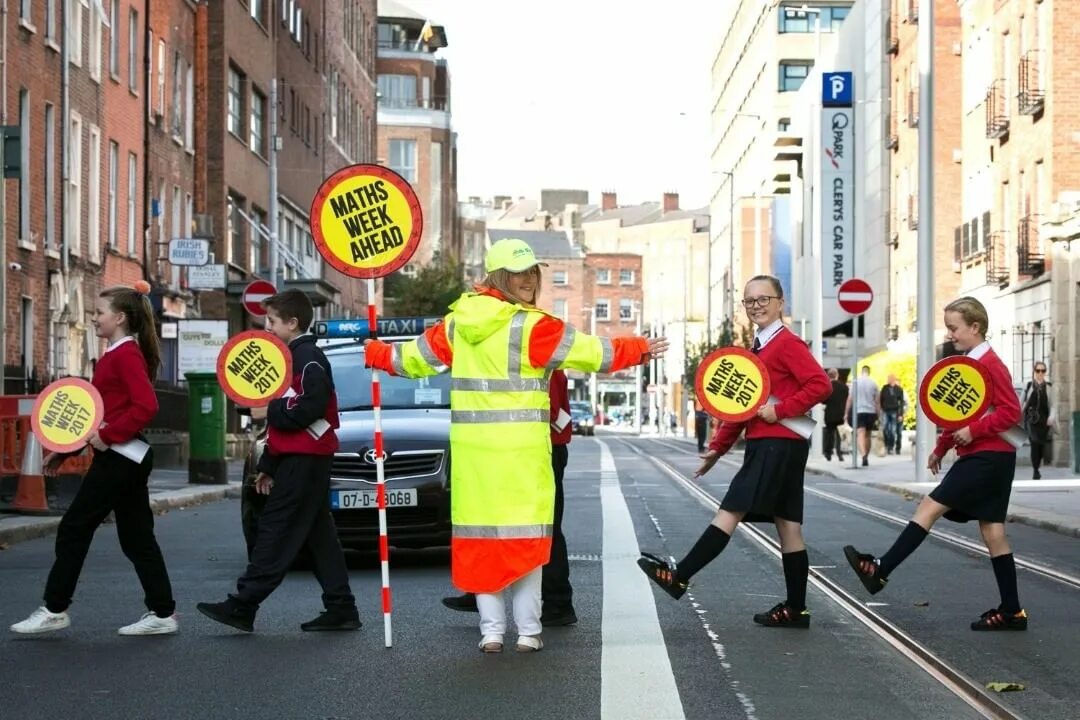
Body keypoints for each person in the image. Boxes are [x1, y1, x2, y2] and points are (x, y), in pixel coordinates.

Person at [365, 238, 665, 653]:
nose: (528, 280)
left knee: (481, 539)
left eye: (532, 272)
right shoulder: (532, 326)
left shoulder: (458, 323)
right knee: (526, 541)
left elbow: (411, 361)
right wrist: (639, 348)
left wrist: (377, 353)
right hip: (521, 454)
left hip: (474, 456)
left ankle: (491, 631)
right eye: (520, 273)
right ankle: (527, 632)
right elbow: (593, 352)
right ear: (500, 277)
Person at [637, 275, 831, 628]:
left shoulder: (786, 343)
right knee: (789, 527)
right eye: (750, 301)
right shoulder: (757, 350)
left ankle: (680, 575)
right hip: (780, 446)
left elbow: (821, 384)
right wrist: (717, 448)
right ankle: (796, 609)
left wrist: (781, 409)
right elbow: (741, 406)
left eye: (763, 299)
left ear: (780, 302)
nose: (756, 306)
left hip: (775, 444)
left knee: (729, 511)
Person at [843, 296, 1027, 631]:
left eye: (954, 327)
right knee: (992, 531)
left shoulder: (990, 364)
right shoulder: (970, 362)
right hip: (991, 456)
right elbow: (957, 412)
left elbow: (1010, 413)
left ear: (975, 327)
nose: (950, 334)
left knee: (929, 506)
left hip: (988, 456)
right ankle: (1012, 611)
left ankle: (881, 570)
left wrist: (973, 431)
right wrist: (941, 447)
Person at [11, 285, 177, 636]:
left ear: (119, 318)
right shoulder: (116, 353)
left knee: (75, 527)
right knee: (136, 537)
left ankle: (55, 608)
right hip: (125, 455)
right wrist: (67, 449)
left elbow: (146, 406)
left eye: (99, 312)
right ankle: (162, 612)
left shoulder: (125, 355)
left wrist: (108, 436)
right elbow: (96, 414)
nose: (94, 318)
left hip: (121, 457)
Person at [197, 289, 359, 633]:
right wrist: (268, 465)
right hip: (302, 457)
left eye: (271, 321)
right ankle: (341, 607)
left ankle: (243, 604)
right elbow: (284, 421)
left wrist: (267, 408)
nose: (266, 328)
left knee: (276, 529)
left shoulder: (307, 358)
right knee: (319, 537)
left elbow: (308, 407)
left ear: (292, 323)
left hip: (305, 459)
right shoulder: (291, 357)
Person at [441, 368, 579, 627]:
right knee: (509, 522)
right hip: (534, 448)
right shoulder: (540, 362)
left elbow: (542, 410)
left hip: (535, 449)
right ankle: (485, 590)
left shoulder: (538, 363)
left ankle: (556, 601)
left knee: (539, 528)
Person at [1021, 362, 1054, 479]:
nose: (1040, 373)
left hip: (1044, 422)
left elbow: (1053, 404)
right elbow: (1022, 402)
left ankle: (1037, 465)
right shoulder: (1029, 386)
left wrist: (1051, 417)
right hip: (1031, 421)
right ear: (1034, 372)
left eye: (1043, 371)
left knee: (1041, 445)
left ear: (1045, 372)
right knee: (1034, 443)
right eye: (1038, 371)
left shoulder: (1049, 387)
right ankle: (1035, 470)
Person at [845, 366, 880, 466]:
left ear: (861, 372)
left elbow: (850, 399)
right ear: (869, 372)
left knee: (860, 433)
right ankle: (867, 455)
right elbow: (877, 401)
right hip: (871, 411)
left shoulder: (855, 382)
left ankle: (863, 455)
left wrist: (846, 413)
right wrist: (878, 414)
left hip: (859, 410)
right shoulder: (874, 383)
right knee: (868, 434)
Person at [822, 368, 847, 462]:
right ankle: (840, 454)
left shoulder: (827, 386)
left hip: (830, 414)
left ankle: (828, 453)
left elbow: (823, 400)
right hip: (841, 413)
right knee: (840, 435)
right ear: (837, 375)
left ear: (828, 375)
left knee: (829, 434)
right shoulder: (844, 387)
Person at [880, 374, 906, 455]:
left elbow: (901, 403)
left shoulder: (899, 389)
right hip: (886, 411)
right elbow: (881, 399)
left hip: (895, 411)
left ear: (894, 379)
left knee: (892, 430)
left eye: (890, 378)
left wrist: (900, 414)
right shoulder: (884, 388)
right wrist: (882, 408)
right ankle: (887, 444)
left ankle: (891, 446)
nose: (888, 379)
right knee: (885, 428)